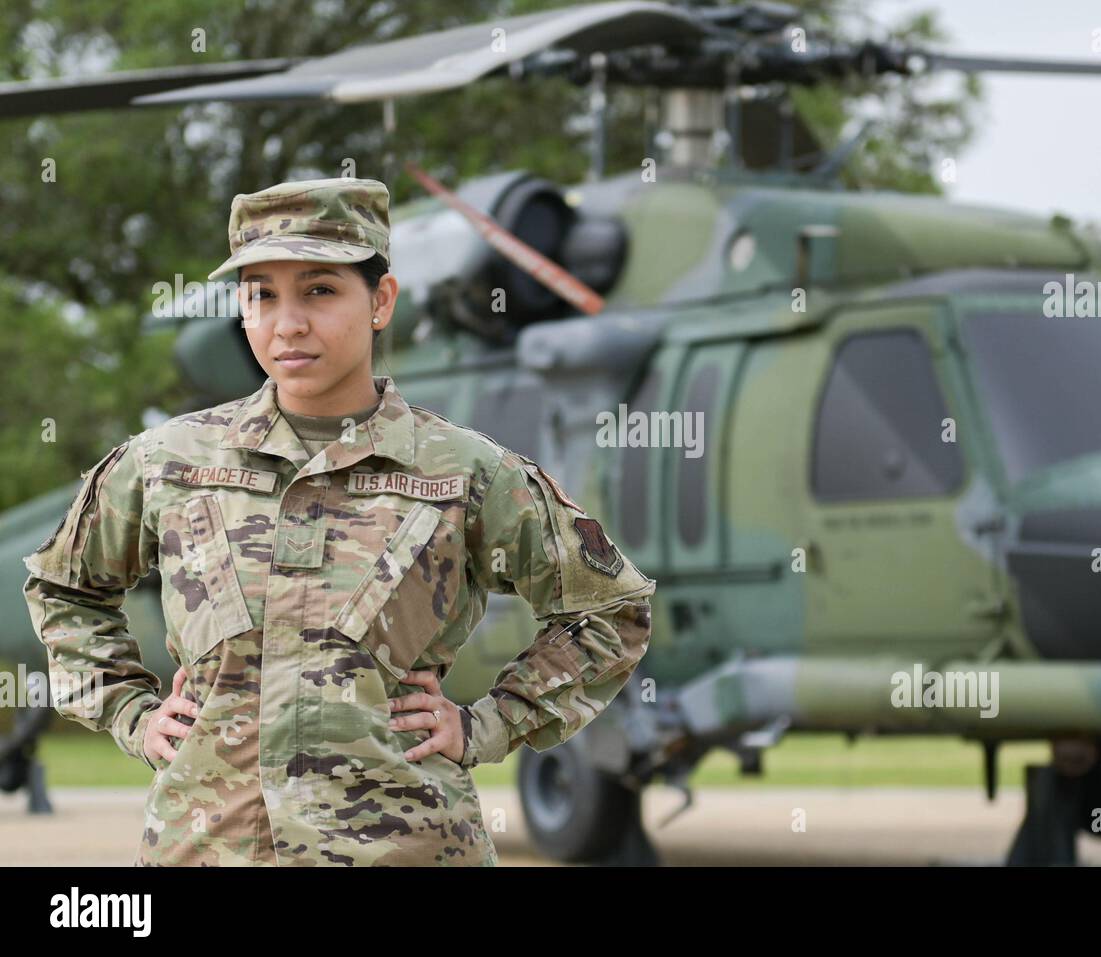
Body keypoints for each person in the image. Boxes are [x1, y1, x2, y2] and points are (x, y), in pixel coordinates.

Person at [21, 176, 655, 866]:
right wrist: (130, 715)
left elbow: (612, 610)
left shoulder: (465, 472)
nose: (286, 322)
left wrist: (489, 723)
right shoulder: (166, 463)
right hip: (210, 849)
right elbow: (64, 589)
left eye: (319, 290)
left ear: (381, 301)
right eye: (261, 294)